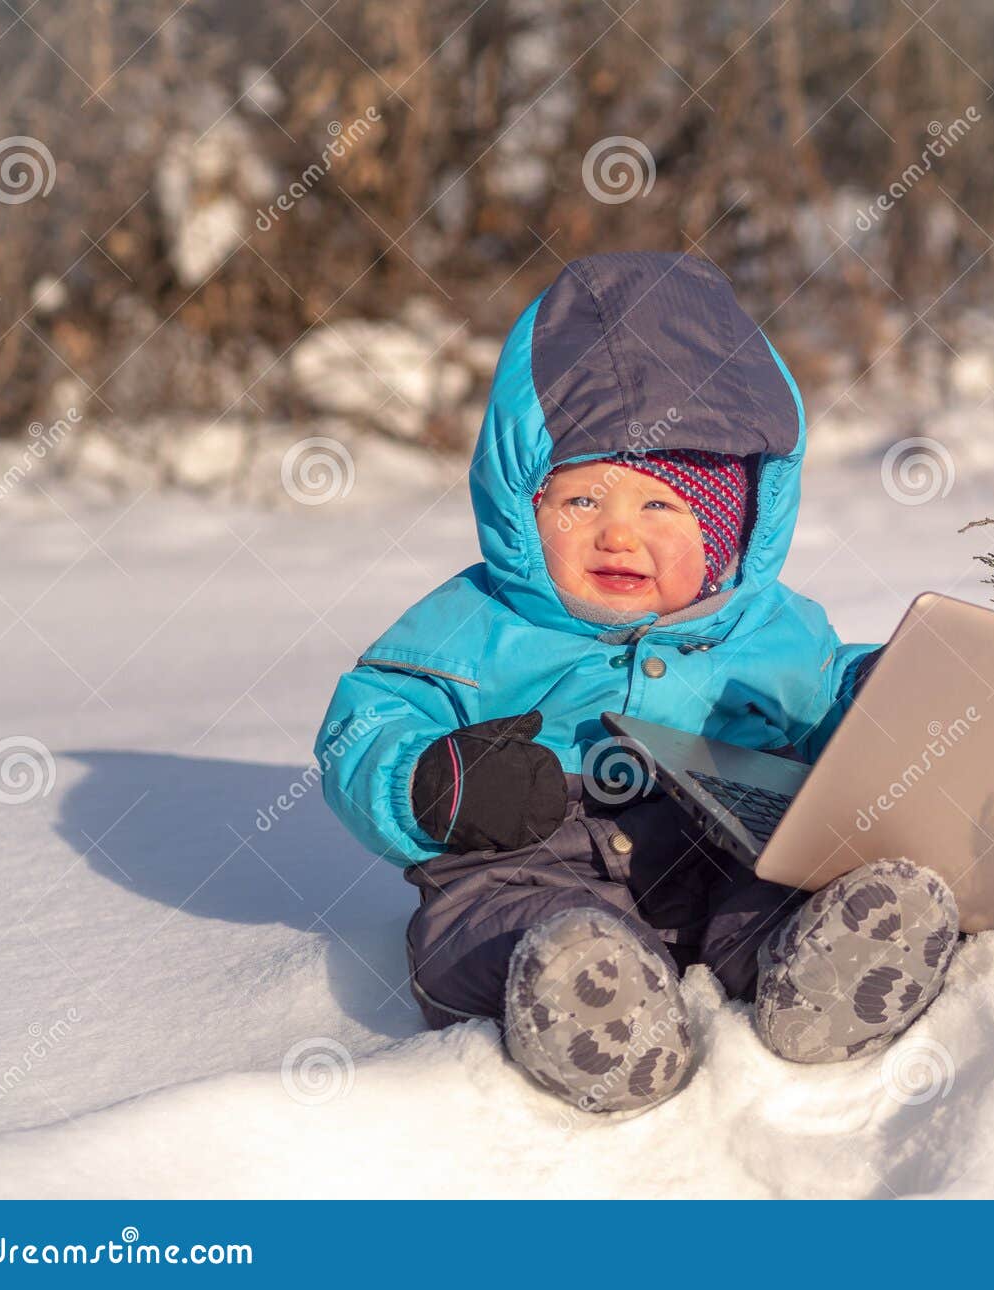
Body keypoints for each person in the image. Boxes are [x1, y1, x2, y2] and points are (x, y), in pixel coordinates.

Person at [314, 251, 960, 1116]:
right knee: (483, 926)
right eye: (581, 503)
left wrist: (881, 699)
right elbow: (369, 722)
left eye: (660, 507)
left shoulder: (774, 630)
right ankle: (584, 1000)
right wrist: (433, 783)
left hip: (729, 846)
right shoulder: (476, 620)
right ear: (524, 507)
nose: (618, 537)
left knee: (782, 883)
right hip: (534, 858)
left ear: (731, 530)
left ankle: (818, 975)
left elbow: (827, 696)